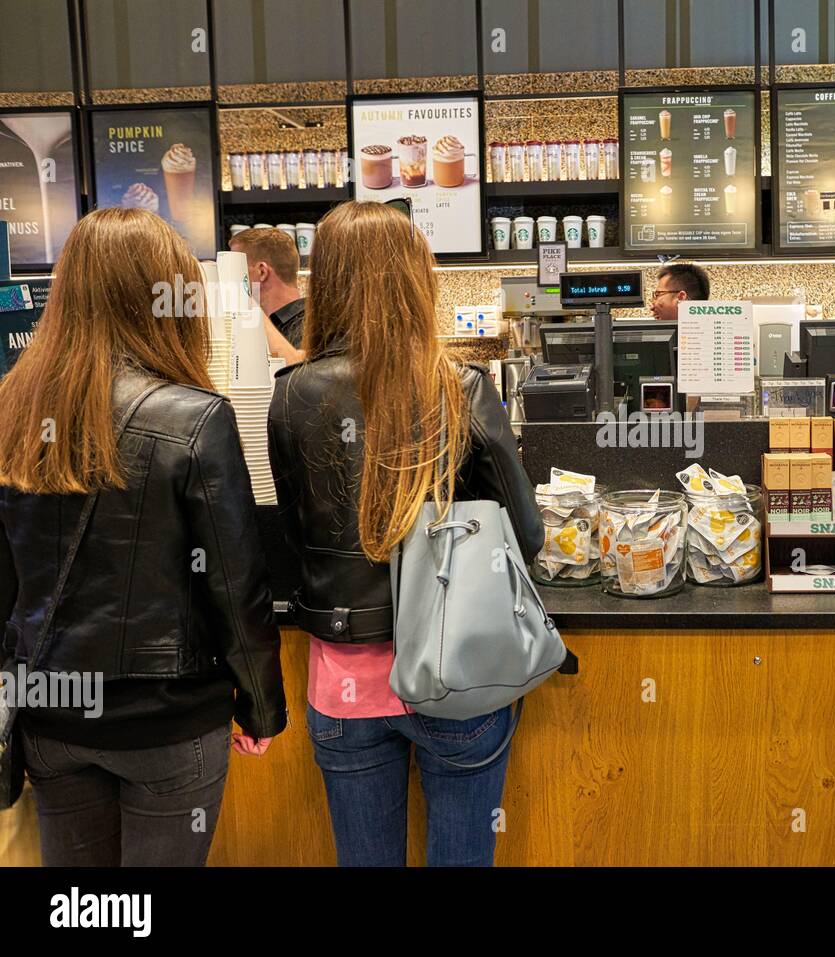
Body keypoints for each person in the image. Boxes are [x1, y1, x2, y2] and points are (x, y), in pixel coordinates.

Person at [0, 208, 287, 867]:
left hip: (51, 712)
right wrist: (261, 705)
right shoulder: (194, 418)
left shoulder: (12, 411)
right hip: (168, 719)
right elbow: (234, 582)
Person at [268, 201, 543, 867]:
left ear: (323, 281)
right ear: (417, 281)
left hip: (345, 683)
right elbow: (525, 533)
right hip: (456, 670)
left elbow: (293, 529)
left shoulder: (289, 394)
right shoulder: (462, 388)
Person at [230, 227, 306, 364]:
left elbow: (298, 377)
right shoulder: (255, 324)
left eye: (235, 268)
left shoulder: (313, 326)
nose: (230, 280)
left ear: (262, 272)